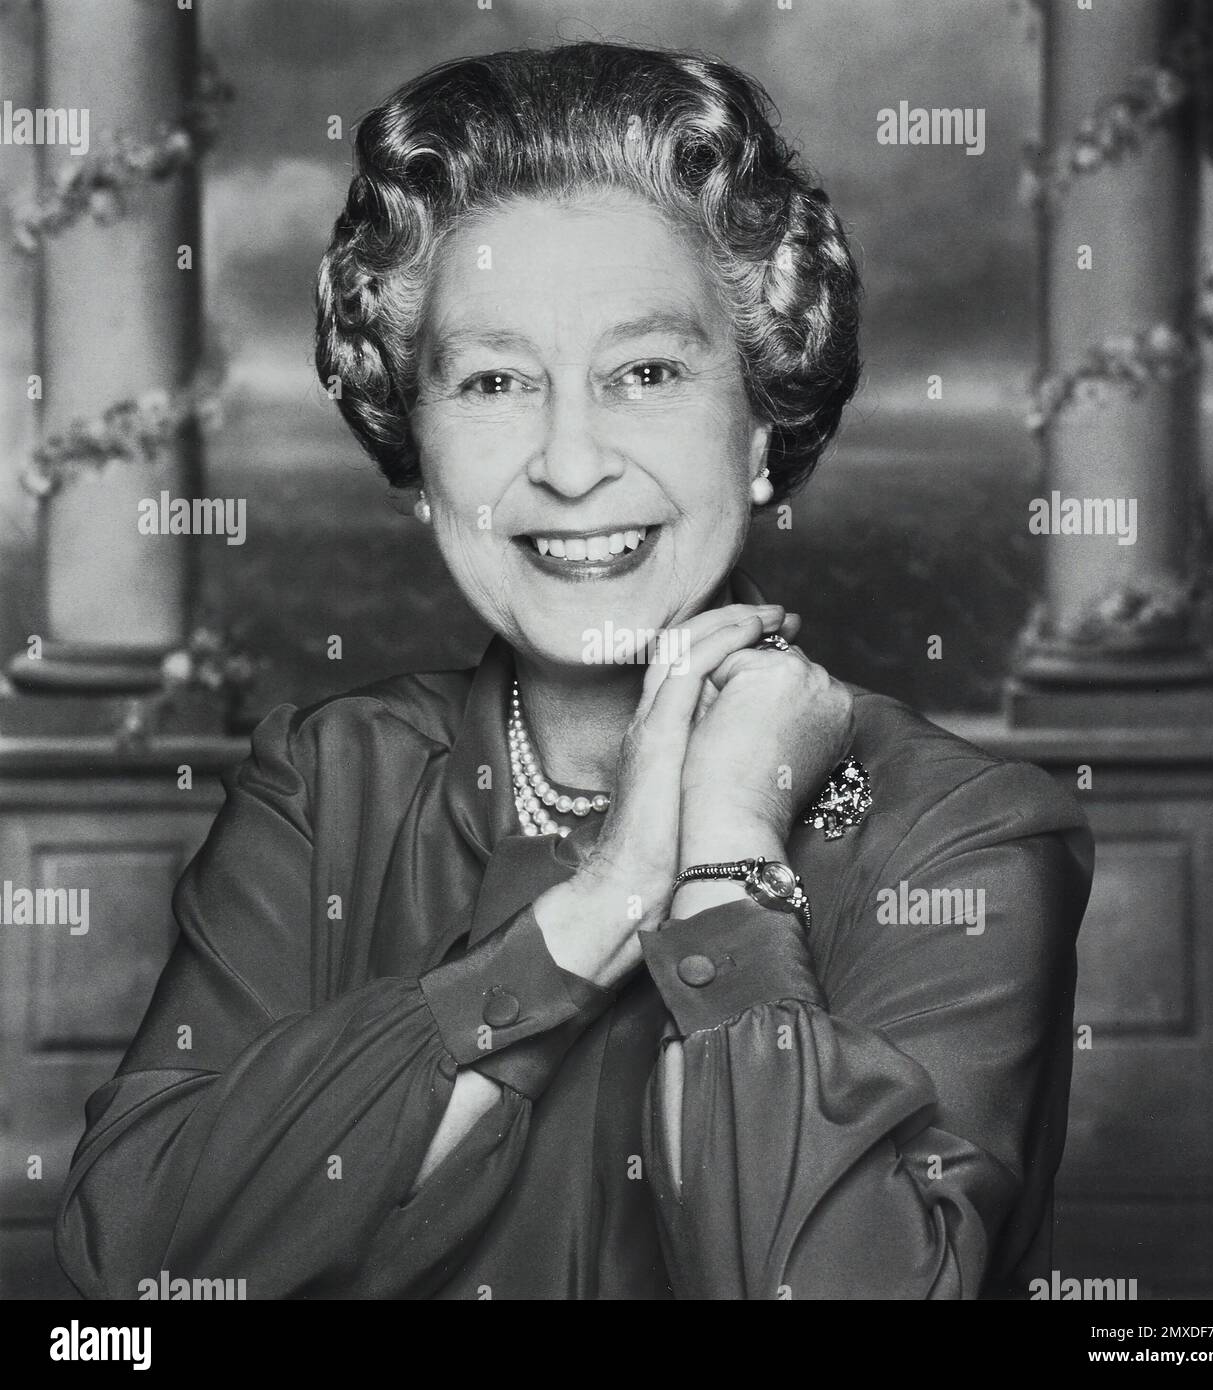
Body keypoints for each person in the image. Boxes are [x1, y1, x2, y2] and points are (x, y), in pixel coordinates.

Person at [55, 41, 1093, 1300]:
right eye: (493, 382)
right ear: (414, 449)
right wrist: (592, 912)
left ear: (761, 419)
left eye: (645, 373)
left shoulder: (961, 838)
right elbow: (131, 1271)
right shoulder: (327, 786)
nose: (567, 461)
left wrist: (720, 865)